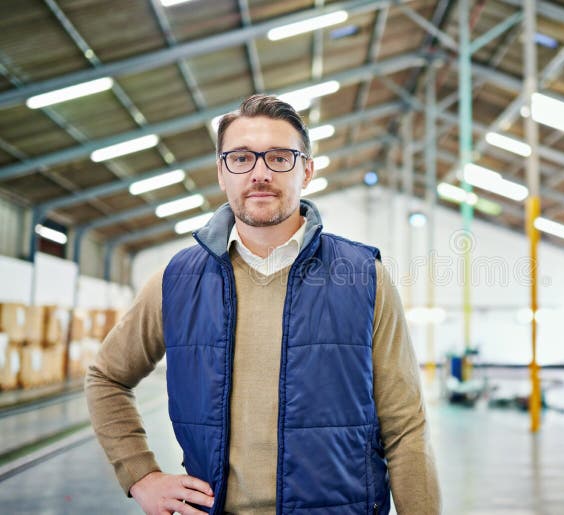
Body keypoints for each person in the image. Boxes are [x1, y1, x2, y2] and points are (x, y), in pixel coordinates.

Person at [85, 94, 441, 515]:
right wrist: (140, 475)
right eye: (240, 158)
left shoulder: (364, 276)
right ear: (222, 172)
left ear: (306, 170)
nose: (259, 173)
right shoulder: (175, 281)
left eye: (279, 157)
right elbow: (106, 376)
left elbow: (405, 428)